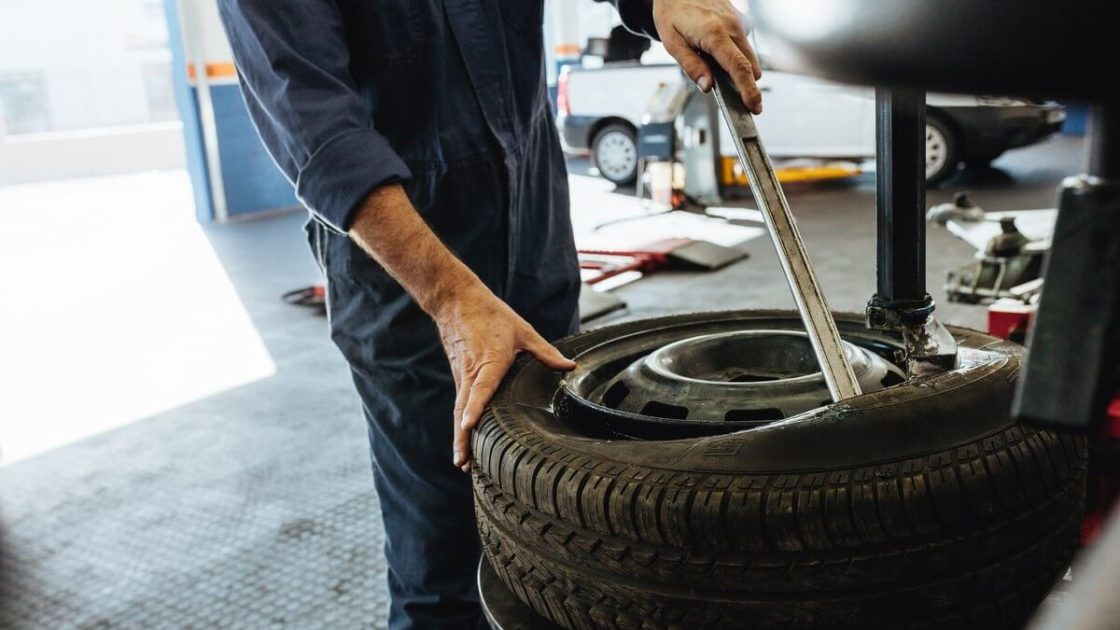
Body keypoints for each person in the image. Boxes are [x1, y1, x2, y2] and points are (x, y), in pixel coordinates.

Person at [217, 1, 762, 627]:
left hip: (533, 235)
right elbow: (316, 128)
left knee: (564, 522)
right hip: (409, 284)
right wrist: (450, 297)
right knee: (444, 555)